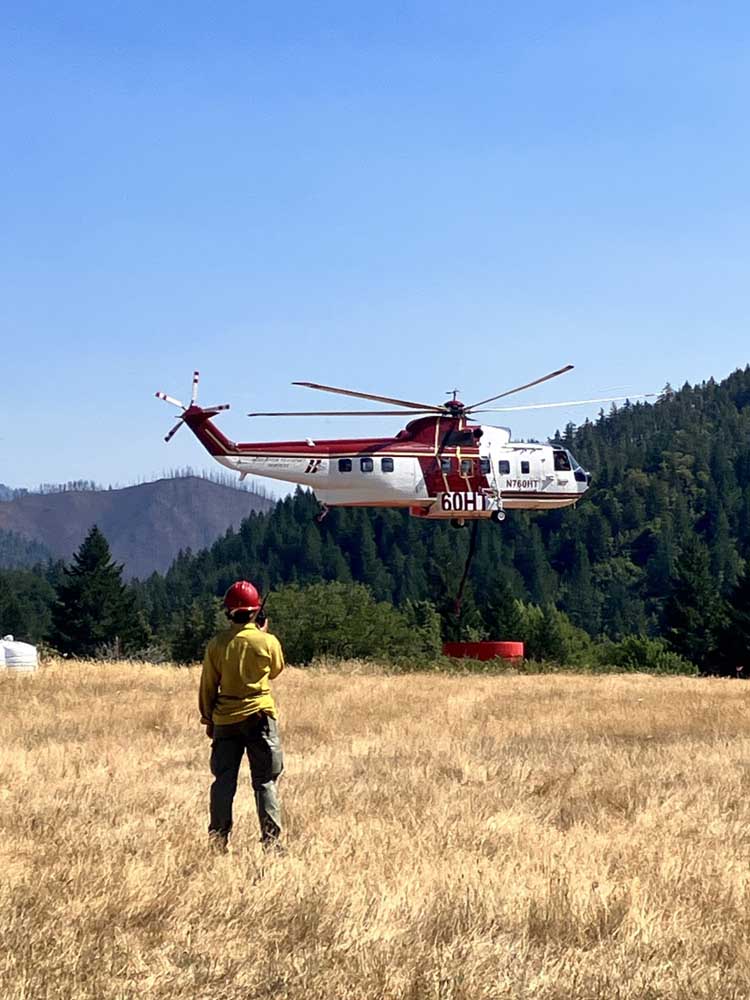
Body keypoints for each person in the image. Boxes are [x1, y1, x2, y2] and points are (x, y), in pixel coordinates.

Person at [199, 580, 285, 851]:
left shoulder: (217, 644)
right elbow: (276, 670)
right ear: (255, 611)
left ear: (229, 611)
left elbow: (208, 685)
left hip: (225, 720)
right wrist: (263, 634)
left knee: (223, 781)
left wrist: (208, 718)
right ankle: (271, 843)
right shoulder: (267, 641)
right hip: (260, 718)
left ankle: (218, 840)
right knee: (265, 781)